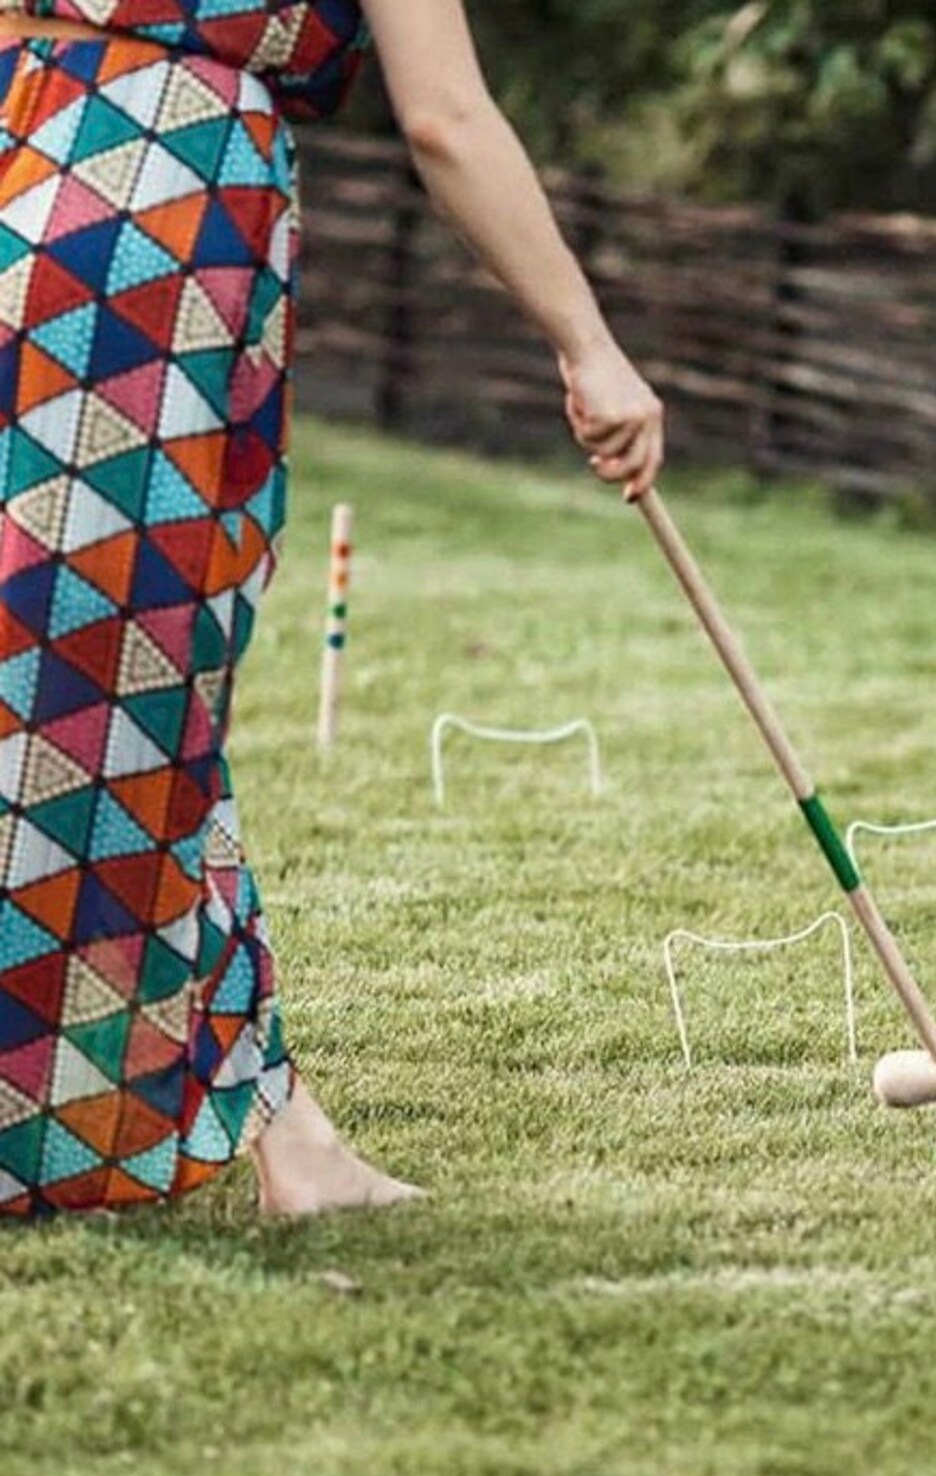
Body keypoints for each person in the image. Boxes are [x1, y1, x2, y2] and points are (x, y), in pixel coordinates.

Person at [0, 0, 663, 1217]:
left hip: (24, 150)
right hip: (147, 227)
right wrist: (589, 344)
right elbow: (445, 116)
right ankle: (263, 1136)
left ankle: (285, 1129)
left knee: (83, 693)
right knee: (128, 703)